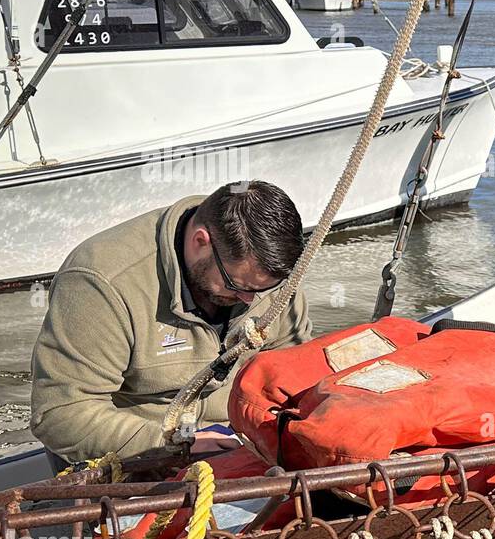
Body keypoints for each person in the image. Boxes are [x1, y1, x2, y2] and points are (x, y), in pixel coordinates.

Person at [32, 181, 313, 465]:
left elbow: (296, 376)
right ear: (200, 242)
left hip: (246, 451)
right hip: (134, 464)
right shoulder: (101, 281)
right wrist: (173, 443)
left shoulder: (268, 277)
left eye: (260, 290)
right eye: (235, 285)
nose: (250, 300)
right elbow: (61, 414)